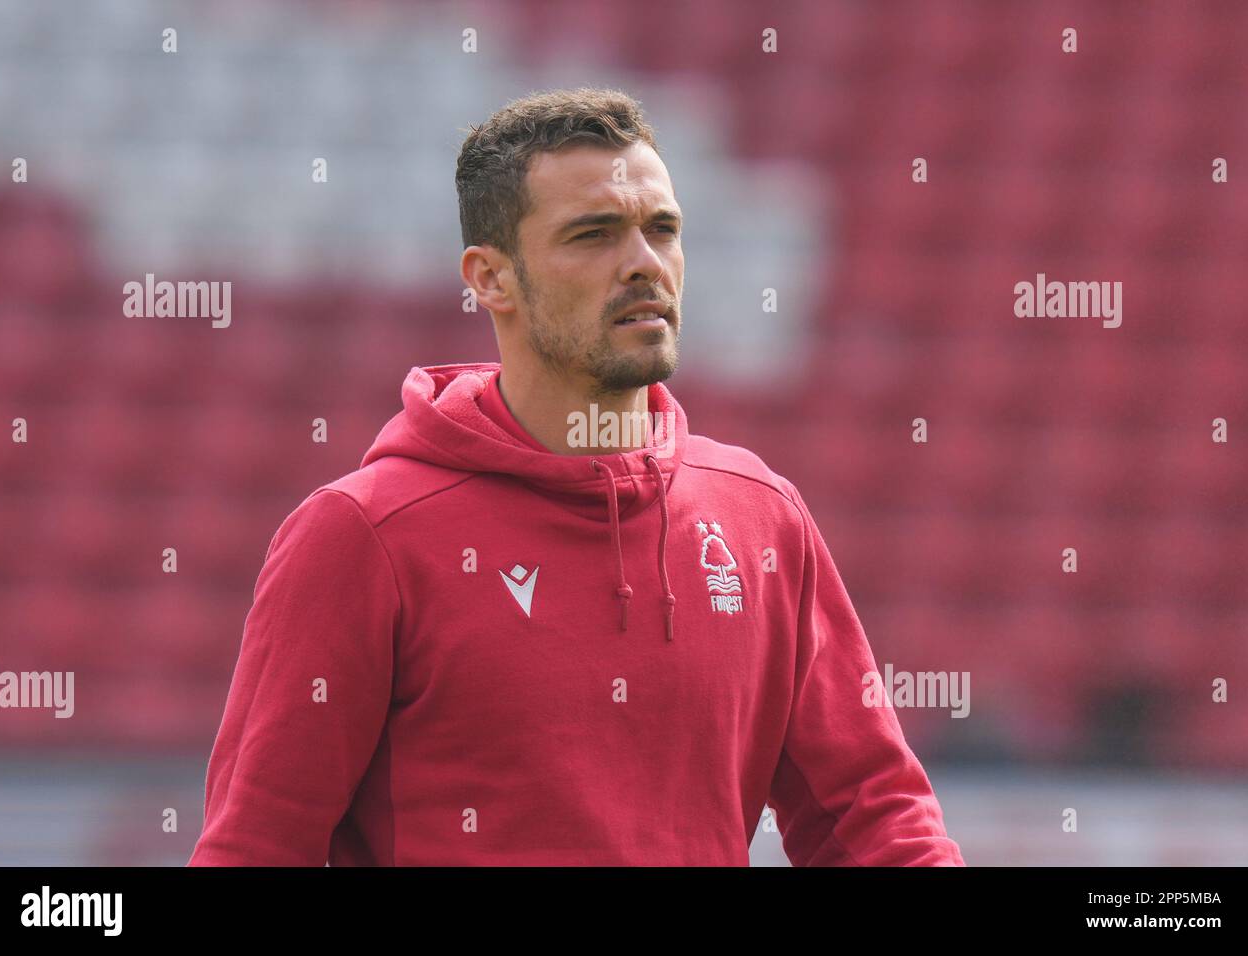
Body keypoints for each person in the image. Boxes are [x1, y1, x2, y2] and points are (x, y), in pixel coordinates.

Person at [188, 87, 965, 866]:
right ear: (492, 279)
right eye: (594, 235)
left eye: (662, 229)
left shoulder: (761, 515)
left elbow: (871, 817)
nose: (644, 264)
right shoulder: (363, 536)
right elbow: (257, 846)